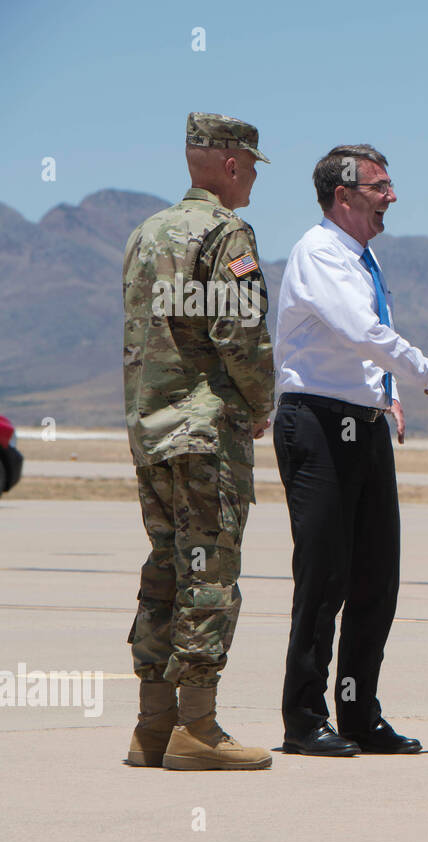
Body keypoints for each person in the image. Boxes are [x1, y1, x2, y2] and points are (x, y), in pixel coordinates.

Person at [274, 144, 428, 756]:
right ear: (343, 196)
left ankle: (357, 714)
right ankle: (302, 719)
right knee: (325, 576)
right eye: (380, 186)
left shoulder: (362, 258)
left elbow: (363, 348)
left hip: (363, 422)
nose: (391, 197)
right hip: (318, 424)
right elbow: (362, 331)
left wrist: (390, 394)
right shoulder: (321, 252)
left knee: (377, 576)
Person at [122, 111, 274, 770]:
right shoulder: (225, 233)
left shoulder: (145, 233)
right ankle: (198, 727)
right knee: (209, 573)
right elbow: (238, 332)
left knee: (164, 571)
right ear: (232, 163)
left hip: (151, 430)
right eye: (249, 168)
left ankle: (152, 726)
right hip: (204, 431)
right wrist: (261, 399)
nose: (250, 182)